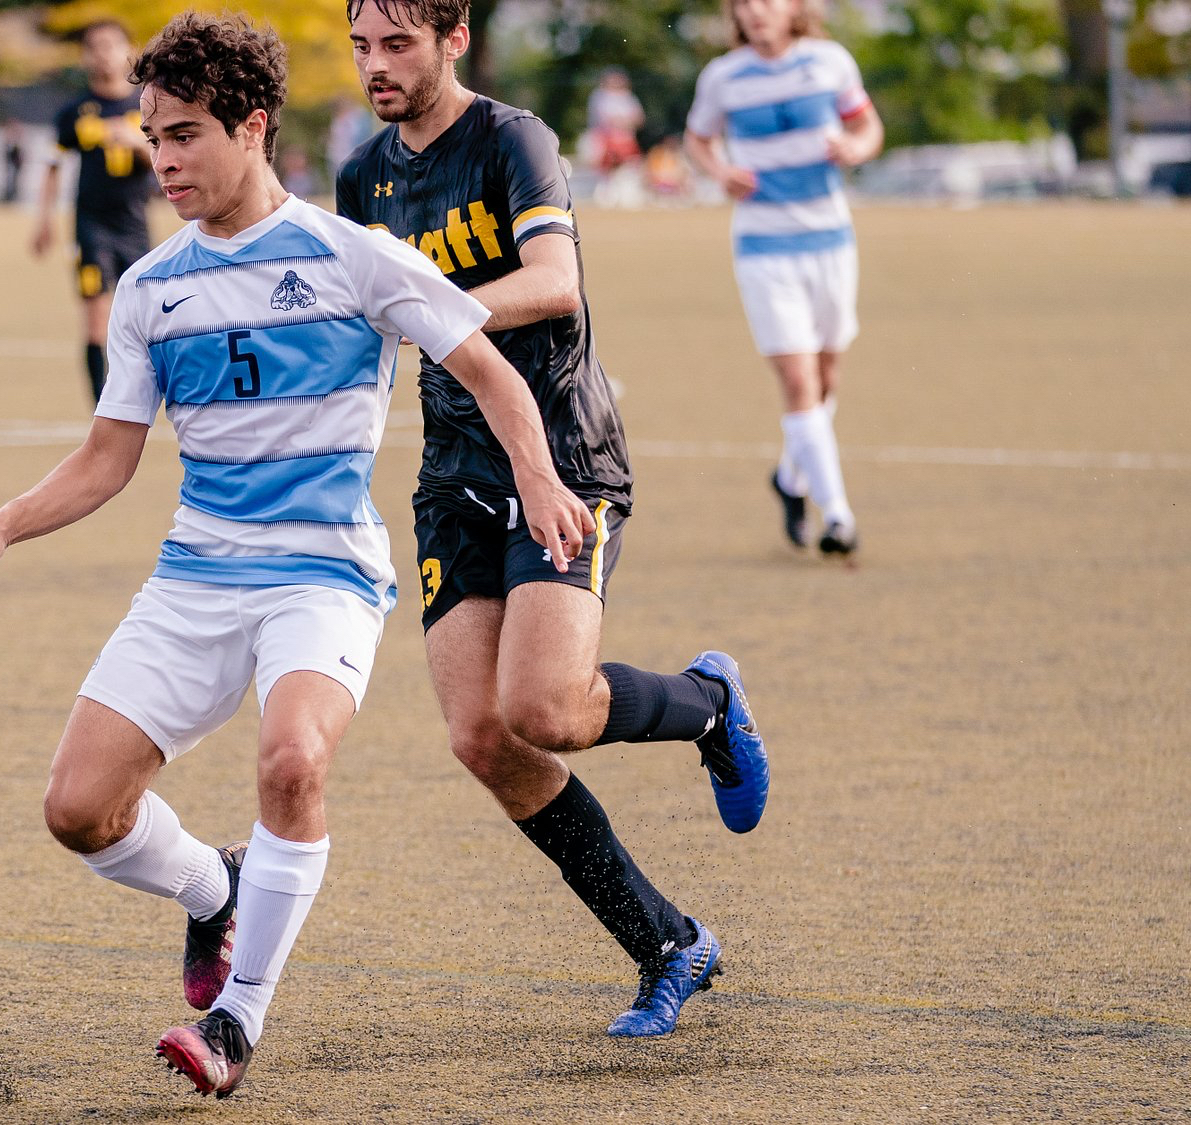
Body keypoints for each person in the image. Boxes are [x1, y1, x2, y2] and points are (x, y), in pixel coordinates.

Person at [0, 11, 585, 1097]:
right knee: (78, 812)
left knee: (291, 760)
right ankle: (213, 890)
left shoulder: (352, 255)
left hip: (322, 575)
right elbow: (106, 459)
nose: (163, 160)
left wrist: (540, 476)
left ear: (252, 125)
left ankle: (237, 1018)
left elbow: (487, 368)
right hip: (196, 576)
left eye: (185, 134)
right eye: (153, 137)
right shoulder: (151, 289)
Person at [337, 0, 770, 1037]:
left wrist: (428, 302)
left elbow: (554, 283)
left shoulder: (512, 141)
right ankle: (666, 943)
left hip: (564, 455)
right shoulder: (360, 178)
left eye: (397, 44)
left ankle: (707, 703)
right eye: (360, 47)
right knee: (483, 737)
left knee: (546, 708)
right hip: (453, 471)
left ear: (453, 39)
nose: (375, 66)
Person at [682, 0, 884, 556]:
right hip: (763, 247)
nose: (755, 11)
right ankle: (838, 516)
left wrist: (856, 147)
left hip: (830, 241)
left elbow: (867, 125)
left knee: (827, 376)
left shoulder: (830, 61)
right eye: (744, 3)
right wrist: (720, 171)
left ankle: (791, 478)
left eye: (767, 0)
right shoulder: (723, 77)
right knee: (798, 383)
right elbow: (697, 139)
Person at [33, 21, 156, 402]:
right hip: (91, 227)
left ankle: (151, 399)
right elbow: (52, 166)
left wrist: (136, 143)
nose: (103, 54)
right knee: (95, 321)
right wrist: (43, 220)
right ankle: (100, 411)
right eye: (95, 47)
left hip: (135, 225)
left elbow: (166, 158)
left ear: (128, 50)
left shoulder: (148, 104)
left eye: (111, 45)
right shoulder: (75, 111)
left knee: (149, 319)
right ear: (85, 56)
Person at [1, 117, 27, 203]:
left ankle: (12, 195)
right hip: (12, 159)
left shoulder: (16, 141)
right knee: (10, 178)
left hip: (15, 160)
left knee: (14, 178)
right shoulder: (10, 139)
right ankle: (9, 196)